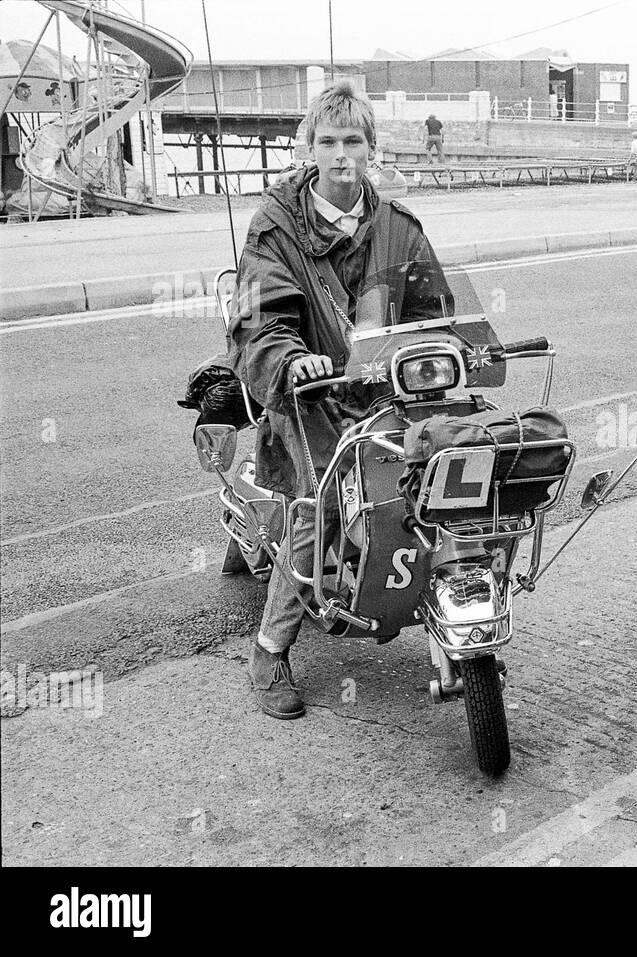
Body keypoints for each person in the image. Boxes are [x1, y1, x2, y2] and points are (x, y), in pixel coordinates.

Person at [230, 80, 454, 719]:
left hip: (386, 389)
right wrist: (291, 358)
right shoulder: (276, 225)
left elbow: (434, 311)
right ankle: (270, 648)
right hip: (309, 395)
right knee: (321, 500)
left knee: (450, 460)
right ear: (309, 149)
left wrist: (442, 349)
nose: (341, 154)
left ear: (371, 148)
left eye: (353, 140)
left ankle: (434, 593)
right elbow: (259, 315)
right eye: (327, 141)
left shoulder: (399, 228)